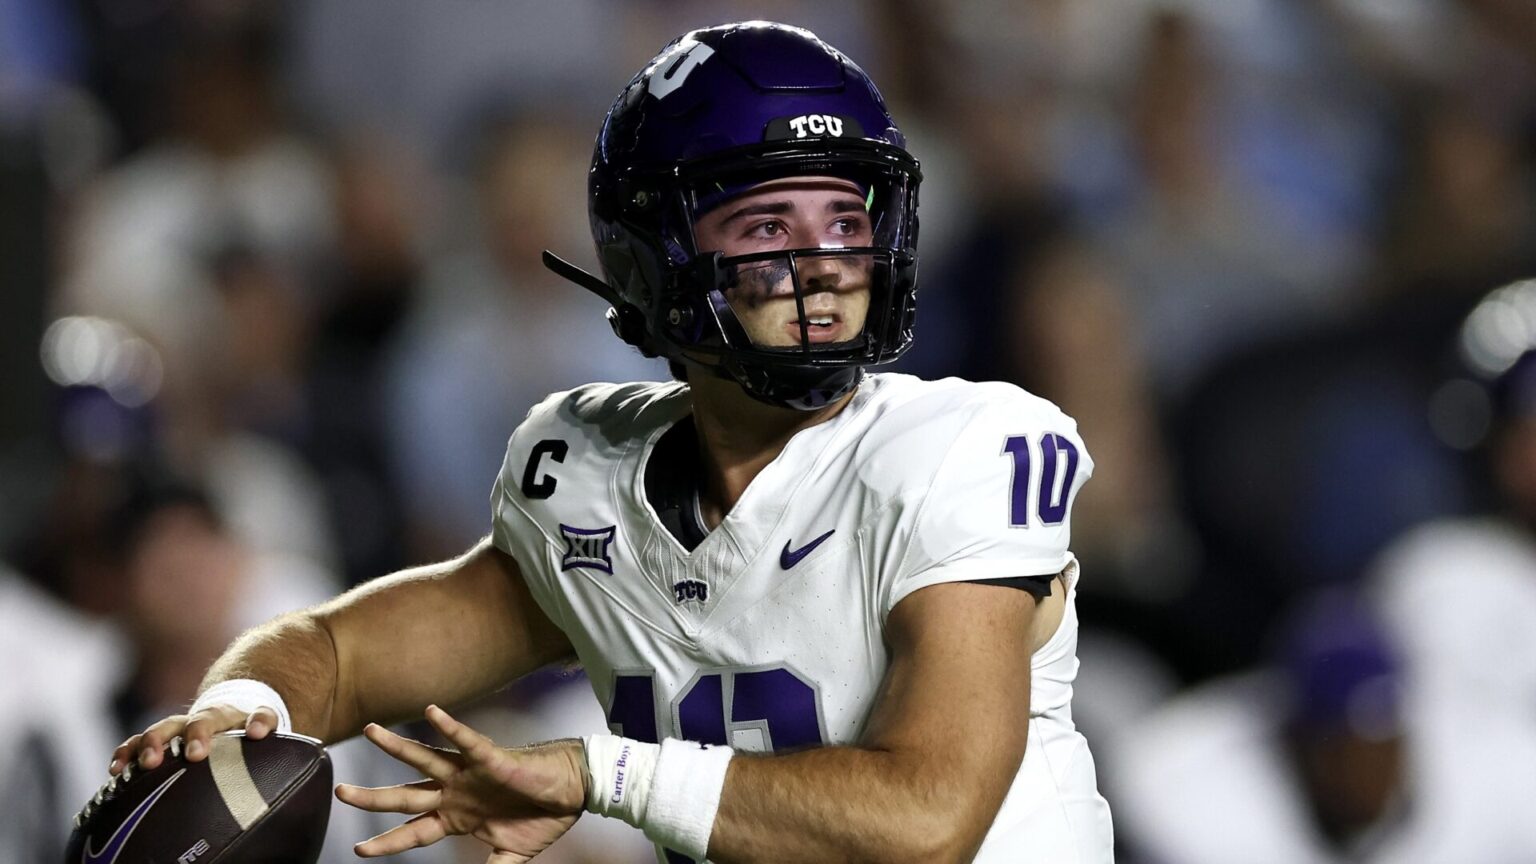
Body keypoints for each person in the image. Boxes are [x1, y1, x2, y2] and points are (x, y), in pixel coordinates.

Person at [105, 22, 1114, 863]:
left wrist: (601, 775)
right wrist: (243, 706)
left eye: (845, 219)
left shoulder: (967, 445)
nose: (825, 265)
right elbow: (339, 649)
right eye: (767, 225)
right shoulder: (583, 473)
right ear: (647, 262)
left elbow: (928, 819)